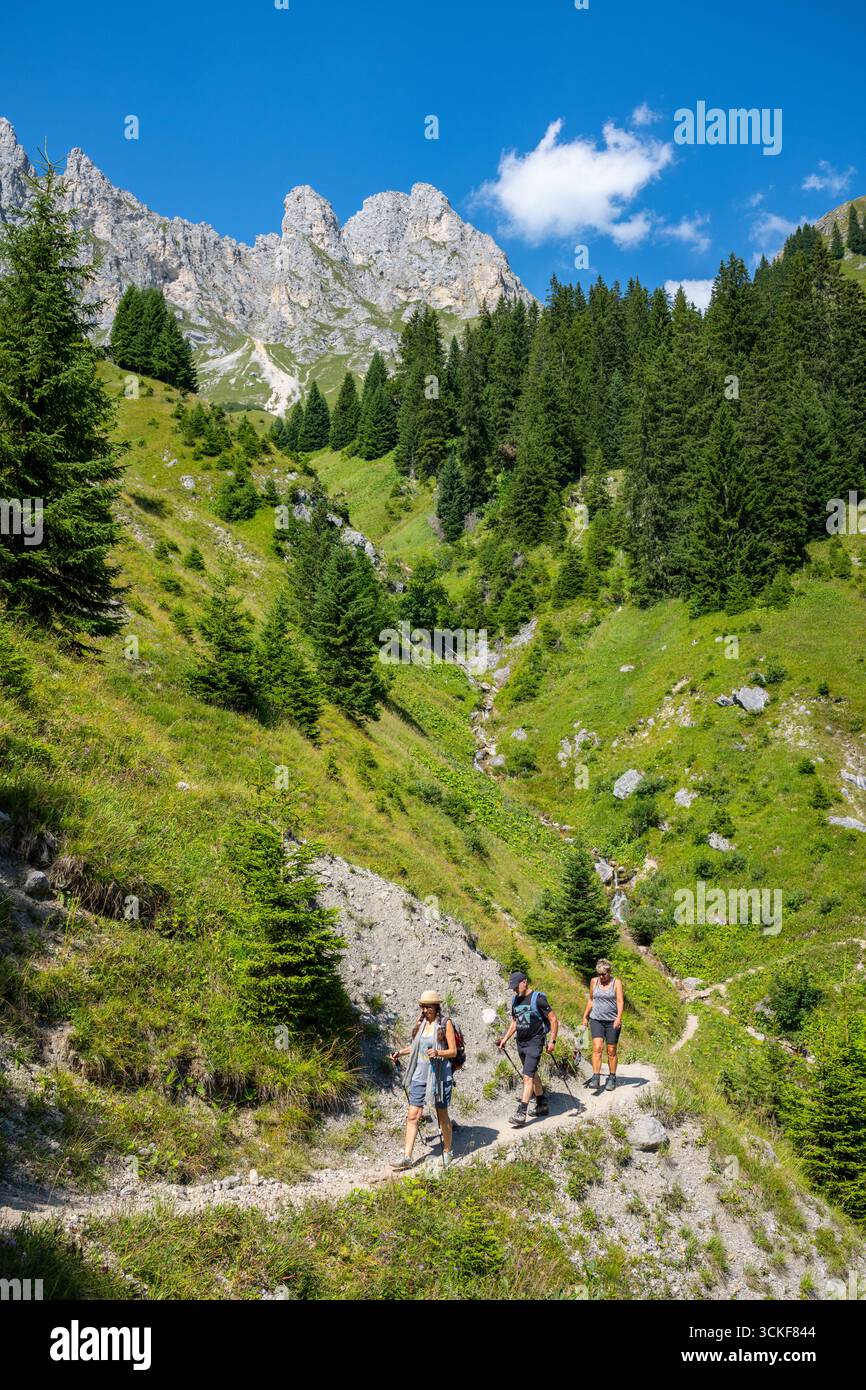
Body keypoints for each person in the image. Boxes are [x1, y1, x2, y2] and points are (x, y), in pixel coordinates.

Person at [389, 990, 457, 1169]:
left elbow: (453, 1051)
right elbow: (416, 1047)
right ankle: (407, 1157)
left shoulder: (444, 1023)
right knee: (413, 1115)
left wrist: (438, 1052)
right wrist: (400, 1053)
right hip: (419, 1075)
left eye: (428, 1007)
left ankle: (448, 1151)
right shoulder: (421, 1024)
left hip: (439, 1076)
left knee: (442, 1115)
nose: (425, 1010)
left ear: (436, 1007)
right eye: (423, 1006)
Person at [497, 971, 558, 1127]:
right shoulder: (515, 1000)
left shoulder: (538, 999)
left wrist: (552, 1041)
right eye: (513, 988)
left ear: (524, 982)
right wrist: (505, 1039)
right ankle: (542, 1105)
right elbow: (514, 1022)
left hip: (535, 1042)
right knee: (532, 1073)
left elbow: (553, 1019)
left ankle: (521, 1112)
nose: (514, 990)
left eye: (516, 987)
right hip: (521, 1043)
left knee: (527, 1077)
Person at [581, 958, 624, 1093]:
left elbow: (620, 1002)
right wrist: (585, 1016)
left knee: (611, 1051)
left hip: (612, 1021)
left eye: (603, 974)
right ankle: (596, 1076)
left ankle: (612, 1077)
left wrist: (618, 1018)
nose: (601, 976)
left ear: (609, 972)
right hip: (596, 1020)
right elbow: (591, 1000)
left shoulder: (616, 983)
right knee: (597, 1048)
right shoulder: (594, 982)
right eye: (599, 974)